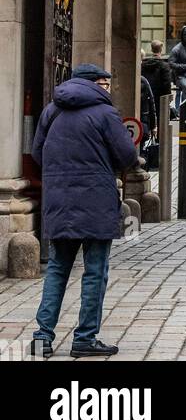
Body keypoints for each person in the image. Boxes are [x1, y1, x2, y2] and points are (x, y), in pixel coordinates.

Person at [30, 63, 139, 359]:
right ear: (94, 83)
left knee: (56, 268)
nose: (108, 88)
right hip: (96, 201)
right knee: (95, 271)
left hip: (59, 200)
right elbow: (128, 155)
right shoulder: (105, 113)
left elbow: (38, 153)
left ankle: (42, 337)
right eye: (105, 83)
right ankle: (85, 338)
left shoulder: (52, 111)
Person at [141, 40, 173, 119]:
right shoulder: (164, 66)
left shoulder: (144, 65)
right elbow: (167, 83)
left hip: (146, 95)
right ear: (161, 50)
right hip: (159, 97)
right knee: (160, 119)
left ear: (151, 50)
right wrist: (168, 97)